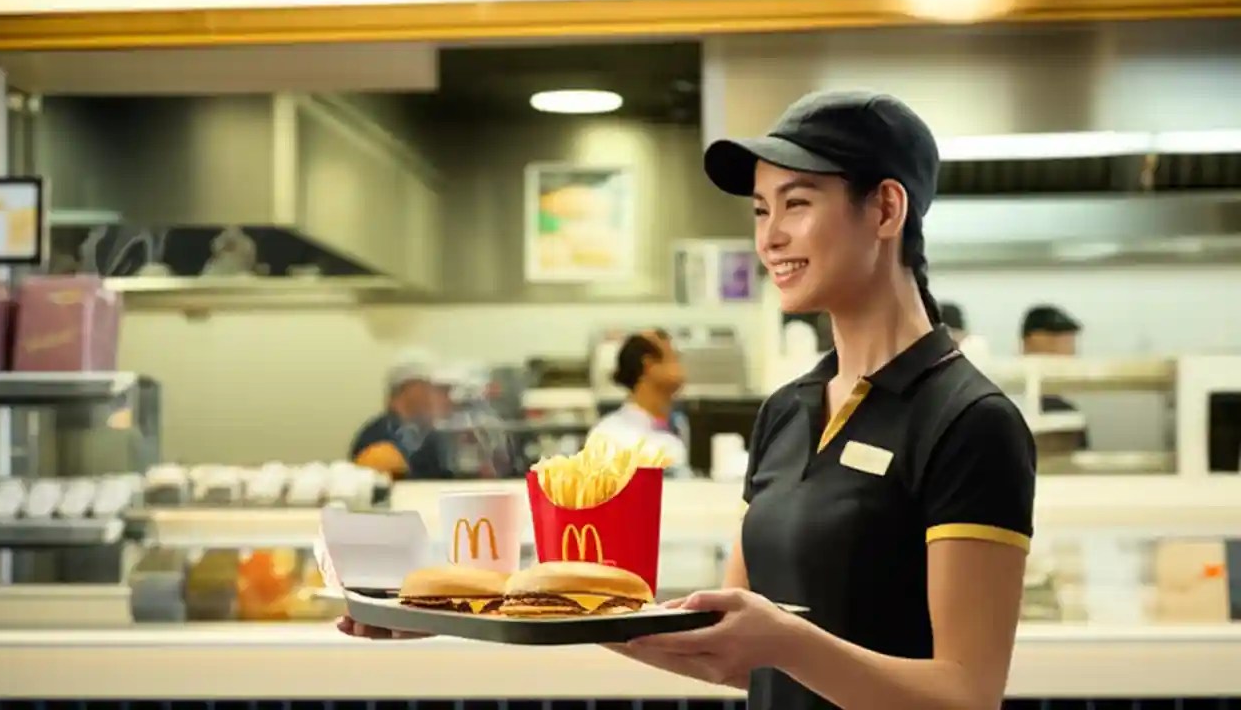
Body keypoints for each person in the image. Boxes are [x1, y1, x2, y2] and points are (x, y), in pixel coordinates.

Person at [336, 90, 1037, 710]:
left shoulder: (969, 422)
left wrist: (788, 642)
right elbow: (725, 651)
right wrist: (482, 609)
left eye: (797, 203)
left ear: (885, 208)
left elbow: (965, 695)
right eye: (760, 209)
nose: (770, 236)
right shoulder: (788, 411)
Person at [589, 329, 689, 472]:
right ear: (649, 366)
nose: (681, 369)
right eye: (673, 358)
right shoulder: (611, 435)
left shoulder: (675, 431)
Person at [348, 362, 450, 480]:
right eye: (427, 388)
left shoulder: (428, 437)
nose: (433, 396)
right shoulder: (376, 437)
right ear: (409, 389)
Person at [1021, 304, 1089, 448]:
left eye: (1069, 342)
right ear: (1029, 343)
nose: (1067, 349)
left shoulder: (1067, 413)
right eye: (1055, 340)